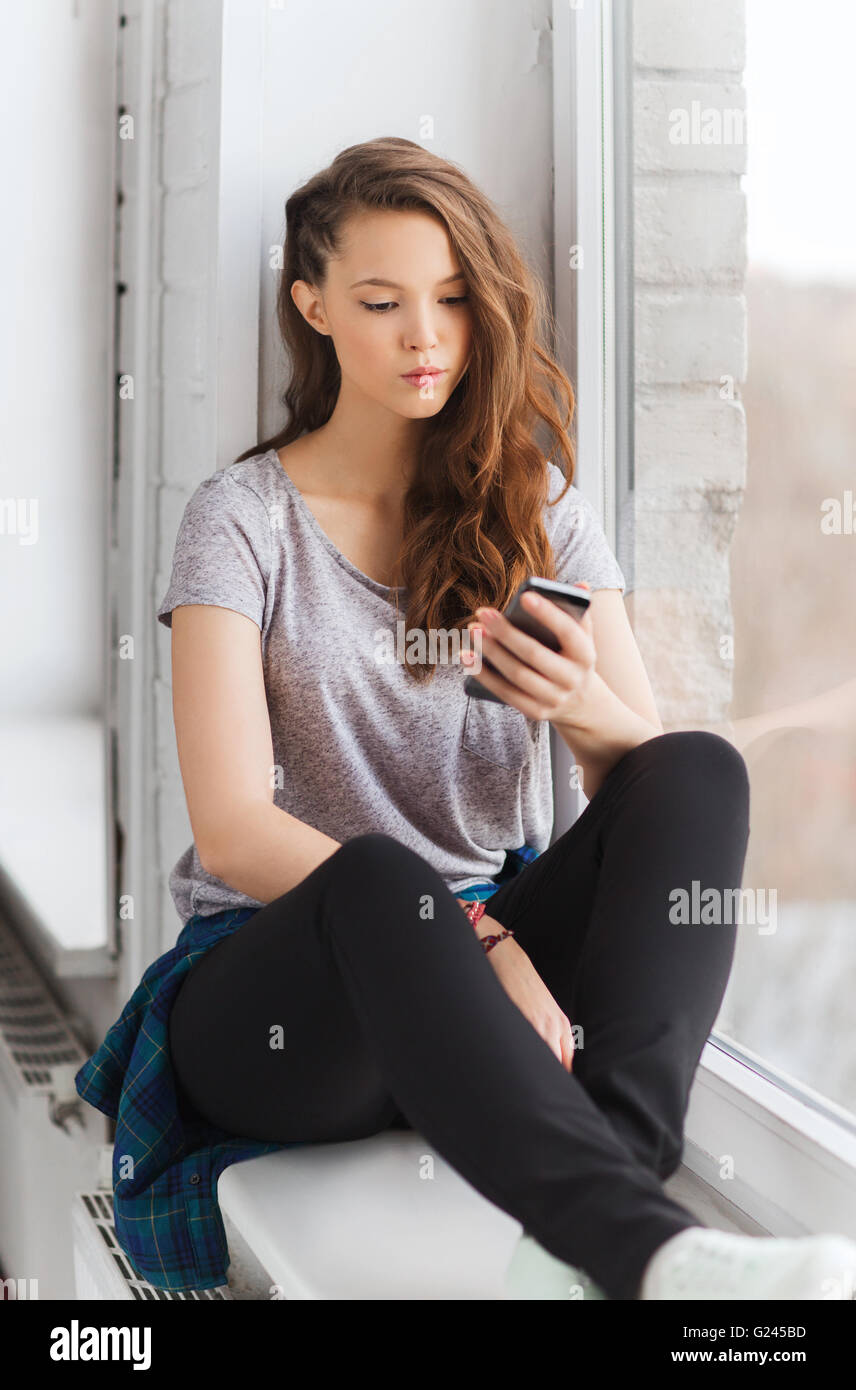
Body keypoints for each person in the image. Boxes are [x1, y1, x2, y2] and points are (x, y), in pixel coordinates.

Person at [81, 137, 856, 1300]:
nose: (426, 336)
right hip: (292, 993)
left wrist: (578, 704)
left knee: (698, 769)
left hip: (484, 990)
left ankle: (593, 1219)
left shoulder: (533, 501)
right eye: (382, 302)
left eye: (451, 299)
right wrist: (482, 946)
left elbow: (638, 777)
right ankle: (646, 1252)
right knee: (383, 878)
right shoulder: (240, 520)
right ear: (313, 306)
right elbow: (236, 828)